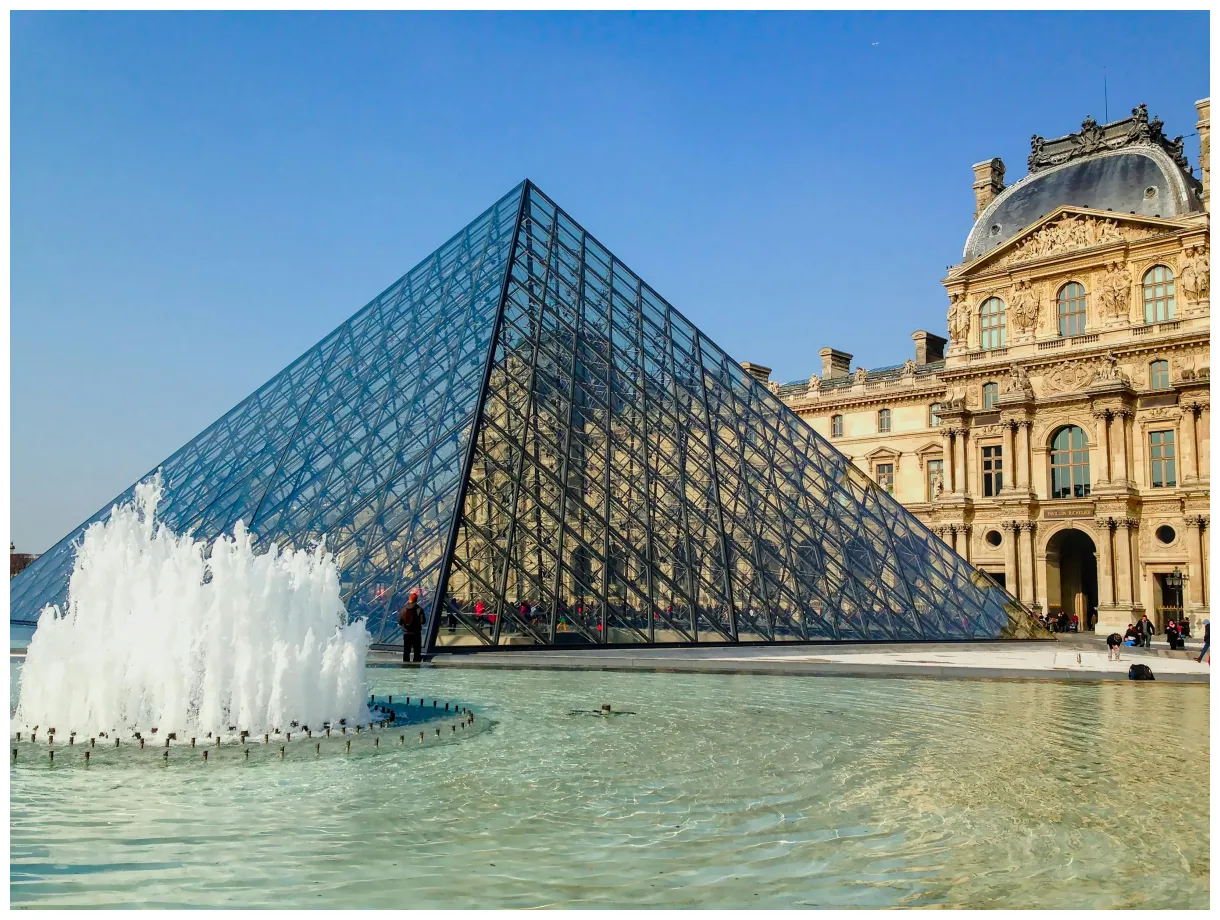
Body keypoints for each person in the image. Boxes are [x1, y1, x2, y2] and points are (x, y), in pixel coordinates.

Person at [399, 591, 425, 664]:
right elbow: (422, 621)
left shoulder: (403, 609)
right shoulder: (419, 609)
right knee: (417, 651)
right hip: (416, 633)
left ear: (409, 599)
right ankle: (416, 667)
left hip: (406, 633)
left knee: (406, 651)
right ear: (416, 600)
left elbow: (400, 622)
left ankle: (405, 666)